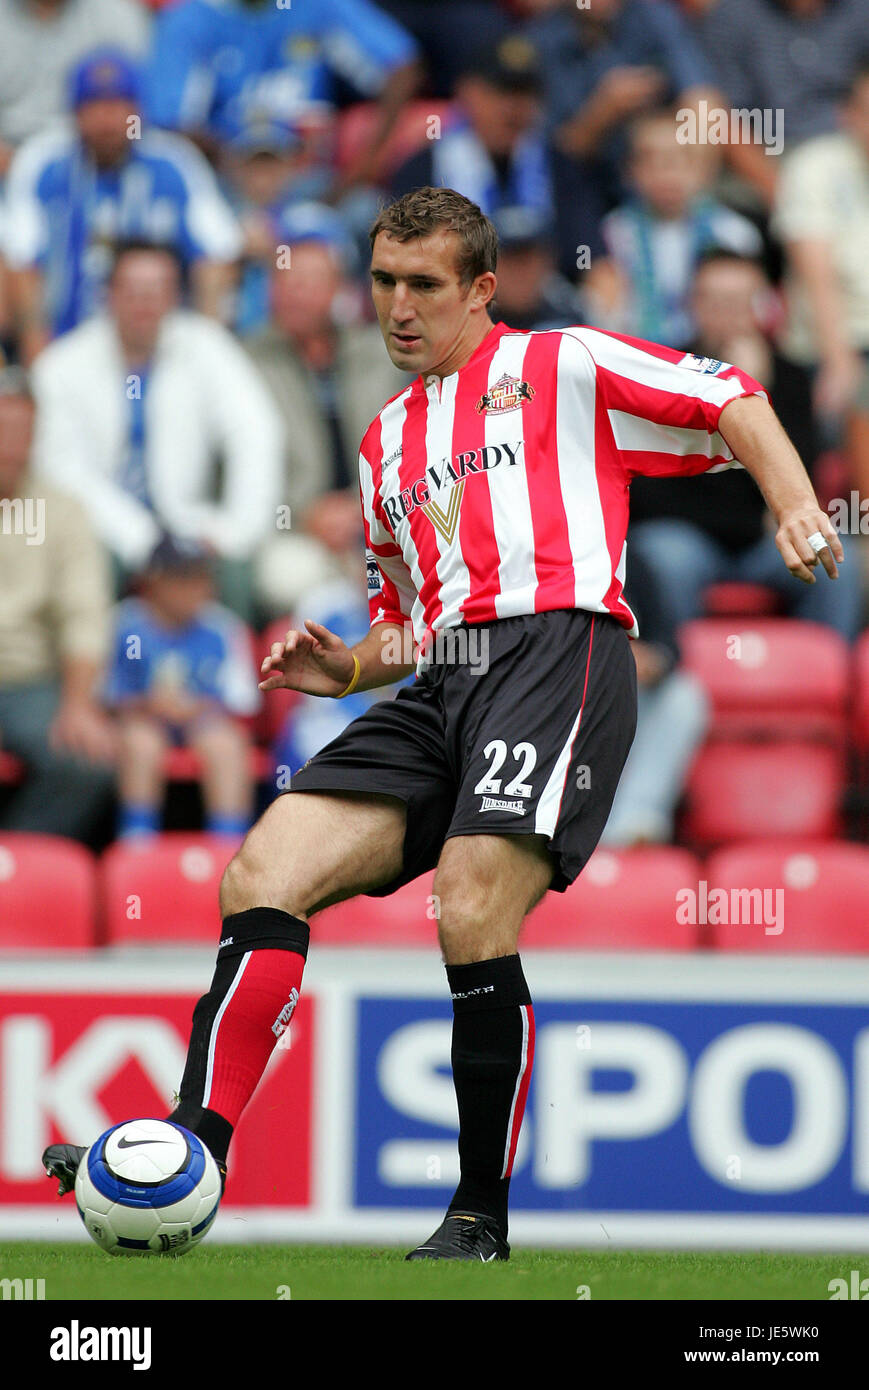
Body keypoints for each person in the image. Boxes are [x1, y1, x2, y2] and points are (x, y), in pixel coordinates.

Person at [43, 186, 843, 1262]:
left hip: (559, 647)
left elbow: (728, 395)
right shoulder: (383, 445)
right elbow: (403, 628)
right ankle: (197, 1143)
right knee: (261, 870)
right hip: (442, 680)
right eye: (383, 281)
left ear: (478, 289)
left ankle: (477, 1214)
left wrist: (793, 500)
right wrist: (345, 667)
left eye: (423, 284)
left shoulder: (559, 366)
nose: (397, 306)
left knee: (469, 899)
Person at [30, 239, 283, 618]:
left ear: (174, 296)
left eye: (157, 290)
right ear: (108, 294)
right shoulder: (61, 366)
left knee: (234, 570)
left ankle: (234, 674)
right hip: (102, 532)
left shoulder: (206, 345)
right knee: (92, 568)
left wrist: (234, 531)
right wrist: (141, 538)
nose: (144, 302)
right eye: (132, 290)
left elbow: (256, 433)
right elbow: (63, 471)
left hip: (188, 526)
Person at [628, 249, 862, 640]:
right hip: (692, 538)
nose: (728, 314)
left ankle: (826, 683)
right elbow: (653, 492)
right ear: (693, 304)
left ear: (763, 307)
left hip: (766, 542)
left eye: (741, 302)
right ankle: (678, 684)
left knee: (840, 559)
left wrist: (757, 395)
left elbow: (800, 475)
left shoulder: (789, 377)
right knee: (665, 556)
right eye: (716, 301)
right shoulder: (666, 373)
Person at [3, 48, 242, 362]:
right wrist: (41, 360)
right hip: (66, 347)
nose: (107, 121)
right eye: (94, 106)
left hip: (164, 353)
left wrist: (203, 353)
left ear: (138, 111)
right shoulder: (43, 162)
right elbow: (21, 264)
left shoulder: (174, 161)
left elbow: (218, 254)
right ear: (74, 113)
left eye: (118, 107)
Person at [244, 205, 408, 614]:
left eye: (310, 281)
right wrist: (303, 515)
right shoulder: (246, 360)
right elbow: (239, 467)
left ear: (339, 289)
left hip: (379, 521)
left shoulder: (379, 355)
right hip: (293, 531)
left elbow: (407, 448)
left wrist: (358, 510)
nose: (295, 291)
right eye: (285, 279)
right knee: (284, 576)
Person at [0, 367, 115, 843]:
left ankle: (16, 871)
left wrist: (78, 703)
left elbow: (84, 616)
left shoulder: (63, 510)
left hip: (30, 682)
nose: (10, 445)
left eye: (21, 432)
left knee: (85, 761)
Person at [104, 535, 260, 840]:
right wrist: (148, 705)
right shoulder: (125, 622)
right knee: (141, 744)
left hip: (202, 721)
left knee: (227, 745)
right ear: (152, 582)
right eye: (180, 579)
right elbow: (106, 697)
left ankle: (227, 845)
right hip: (140, 721)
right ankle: (137, 842)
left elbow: (242, 702)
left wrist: (197, 707)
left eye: (200, 579)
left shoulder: (222, 627)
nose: (192, 590)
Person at [585, 106, 761, 348]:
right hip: (638, 352)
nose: (666, 173)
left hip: (715, 354)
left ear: (704, 169)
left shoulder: (734, 234)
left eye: (679, 161)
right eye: (652, 162)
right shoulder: (613, 232)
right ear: (630, 171)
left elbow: (757, 309)